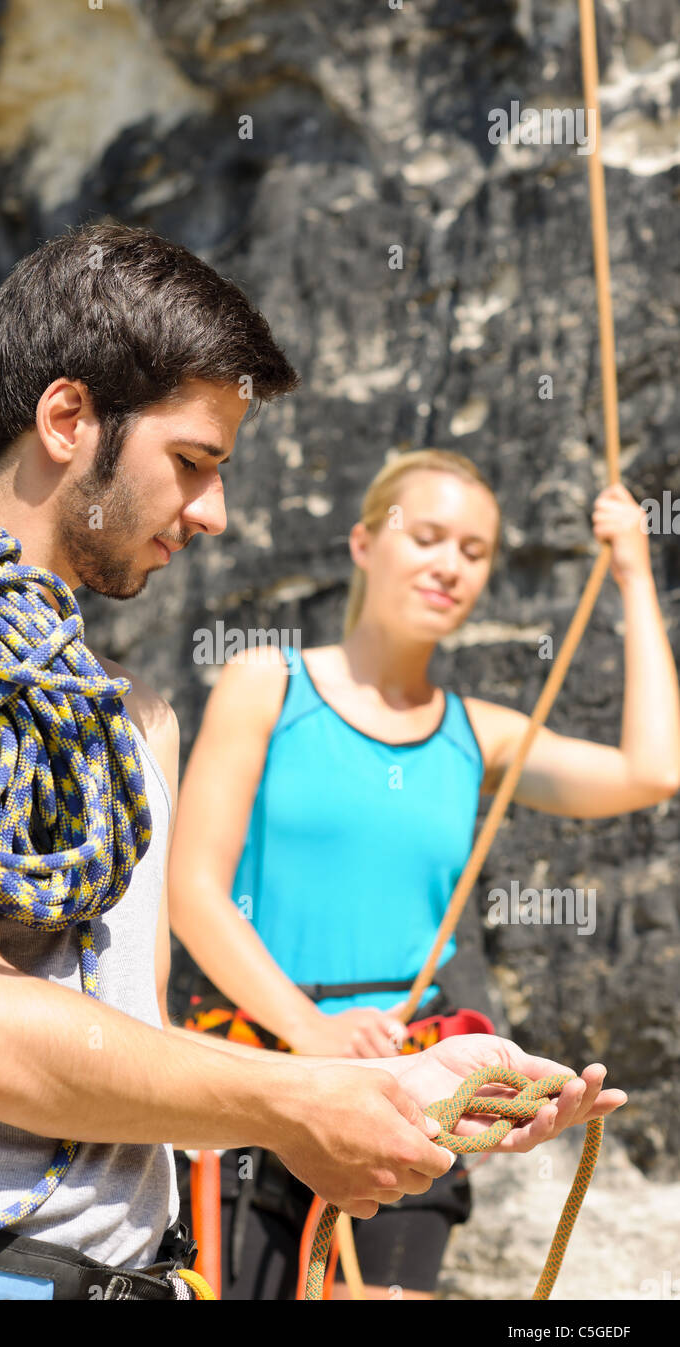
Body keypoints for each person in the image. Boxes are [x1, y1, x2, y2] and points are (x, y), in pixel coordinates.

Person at [0, 224, 626, 1302]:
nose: (214, 513)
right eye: (192, 462)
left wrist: (382, 1095)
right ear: (68, 419)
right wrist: (295, 1101)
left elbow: (132, 1047)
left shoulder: (137, 719)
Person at [168, 448, 680, 1300]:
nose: (451, 565)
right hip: (258, 1076)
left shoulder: (479, 735)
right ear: (366, 544)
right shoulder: (266, 684)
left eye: (475, 552)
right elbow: (192, 892)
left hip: (413, 1087)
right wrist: (312, 1032)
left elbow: (652, 770)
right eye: (429, 537)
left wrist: (632, 571)